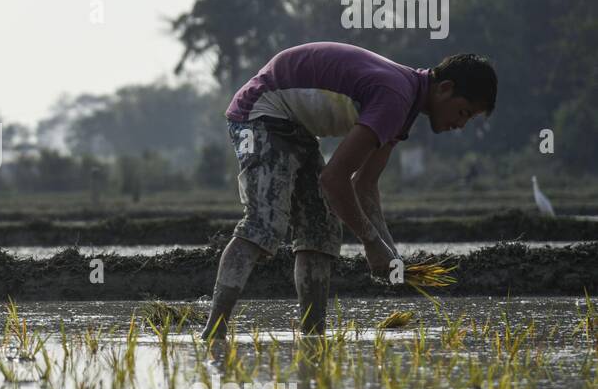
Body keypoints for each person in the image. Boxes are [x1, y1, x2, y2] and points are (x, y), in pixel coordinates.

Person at [200, 43, 497, 340]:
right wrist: (371, 242)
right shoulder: (396, 96)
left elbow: (365, 185)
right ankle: (213, 332)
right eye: (463, 112)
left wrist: (390, 252)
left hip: (294, 125)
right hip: (260, 113)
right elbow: (334, 179)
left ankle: (313, 337)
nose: (459, 124)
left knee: (321, 230)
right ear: (445, 89)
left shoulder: (403, 108)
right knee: (264, 222)